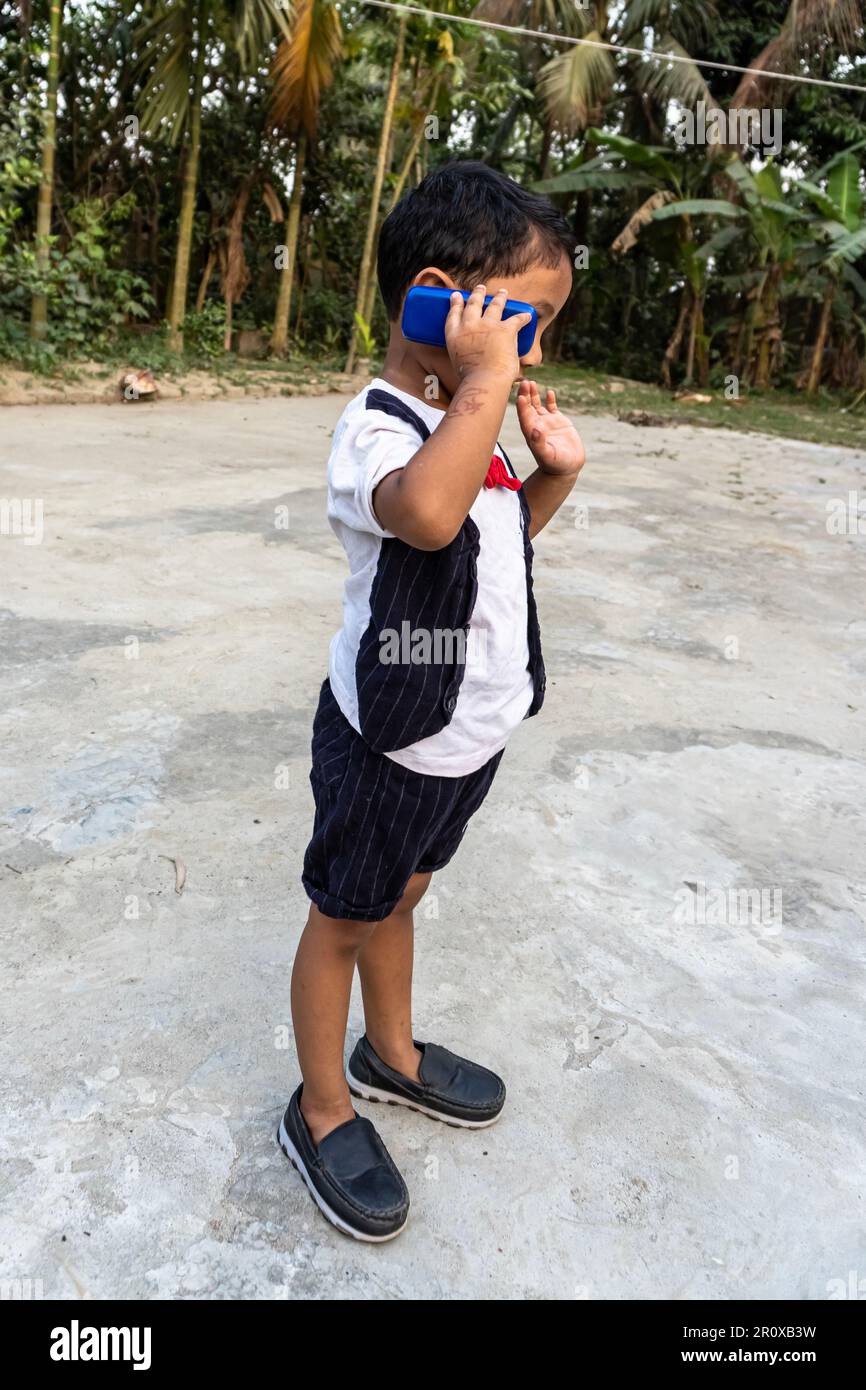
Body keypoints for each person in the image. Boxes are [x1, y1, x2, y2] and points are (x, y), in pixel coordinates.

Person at [278, 161, 586, 1240]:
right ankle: (320, 1108)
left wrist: (547, 477)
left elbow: (481, 556)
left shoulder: (471, 428)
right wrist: (484, 394)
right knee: (343, 917)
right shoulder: (378, 430)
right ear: (433, 299)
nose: (530, 351)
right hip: (388, 748)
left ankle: (390, 1054)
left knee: (402, 897)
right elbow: (423, 516)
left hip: (465, 742)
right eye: (521, 321)